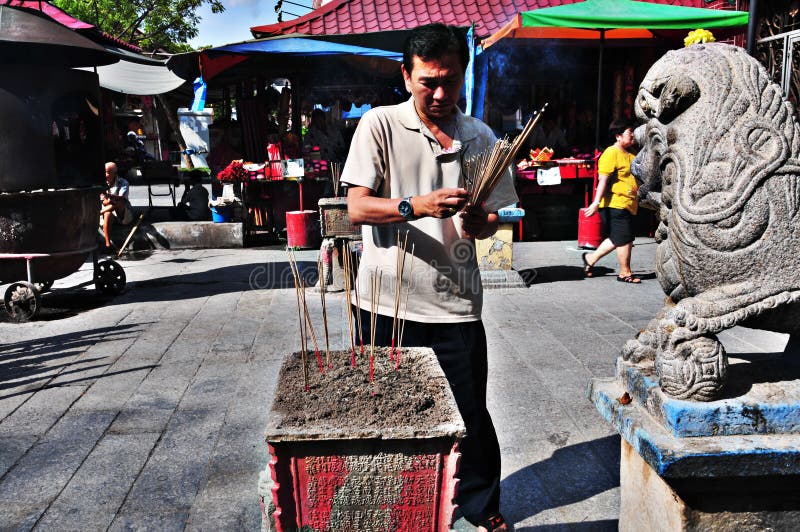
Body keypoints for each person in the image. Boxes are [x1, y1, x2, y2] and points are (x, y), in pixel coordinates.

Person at [341, 23, 517, 532]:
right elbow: (356, 208)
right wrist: (415, 205)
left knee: (470, 414)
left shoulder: (480, 137)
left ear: (463, 75)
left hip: (455, 302)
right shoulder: (379, 125)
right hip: (385, 303)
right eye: (428, 82)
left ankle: (480, 505)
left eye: (450, 81)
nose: (440, 94)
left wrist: (483, 222)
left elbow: (495, 219)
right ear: (406, 76)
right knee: (385, 410)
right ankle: (393, 504)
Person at [582, 122, 641, 283]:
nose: (633, 135)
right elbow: (603, 180)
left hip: (630, 203)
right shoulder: (611, 152)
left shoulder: (632, 153)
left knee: (619, 238)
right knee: (624, 237)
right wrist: (596, 202)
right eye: (630, 132)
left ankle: (590, 259)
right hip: (614, 203)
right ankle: (625, 272)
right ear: (618, 136)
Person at [100, 161, 134, 250]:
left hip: (122, 213)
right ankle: (108, 244)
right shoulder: (102, 184)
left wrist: (110, 198)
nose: (105, 175)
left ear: (114, 173)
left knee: (119, 202)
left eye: (108, 172)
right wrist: (110, 200)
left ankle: (100, 212)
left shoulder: (123, 182)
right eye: (104, 172)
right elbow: (104, 202)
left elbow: (121, 199)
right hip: (108, 211)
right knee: (107, 213)